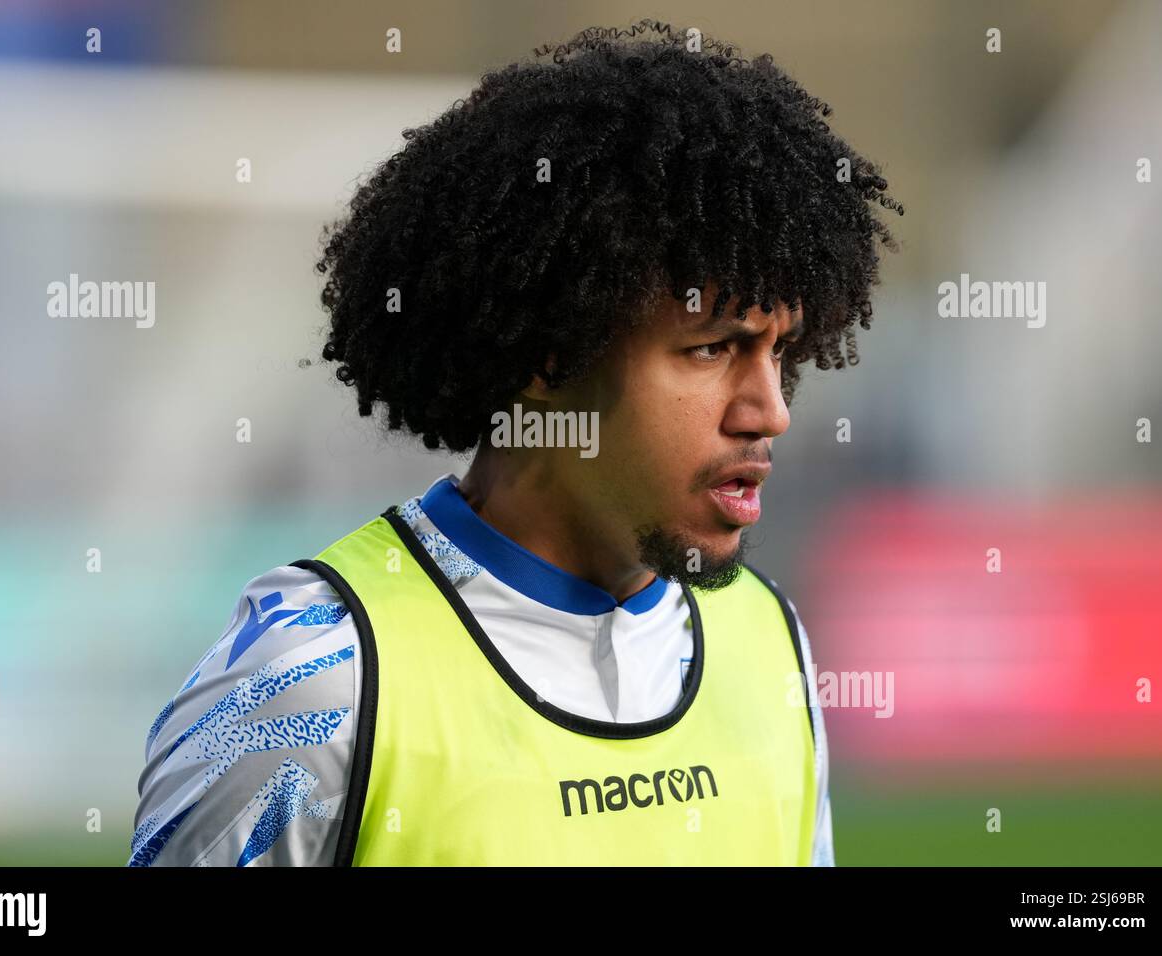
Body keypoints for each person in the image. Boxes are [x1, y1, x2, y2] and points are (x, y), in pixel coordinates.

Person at [129, 17, 901, 867]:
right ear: (550, 357)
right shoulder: (317, 679)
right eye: (712, 348)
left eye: (778, 351)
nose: (768, 411)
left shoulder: (770, 643)